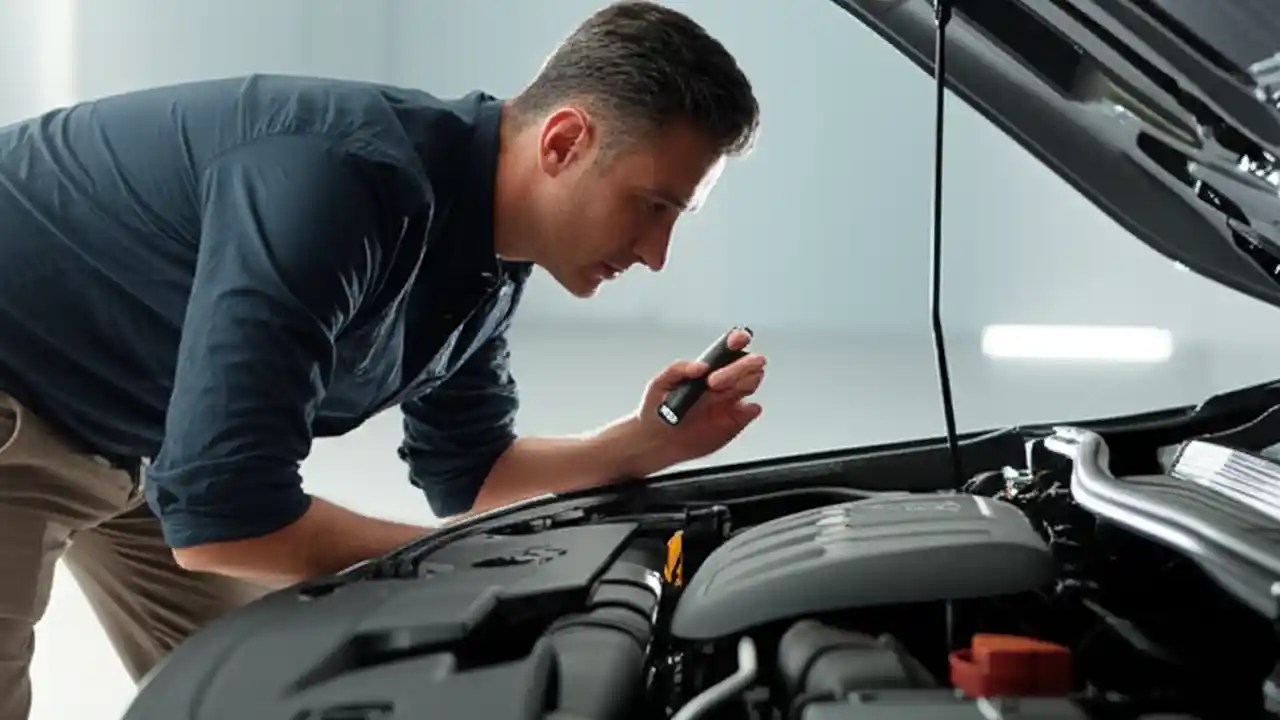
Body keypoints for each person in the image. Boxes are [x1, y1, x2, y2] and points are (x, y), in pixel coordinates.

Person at [0, 1, 763, 717]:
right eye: (653, 205)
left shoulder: (483, 249)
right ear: (563, 142)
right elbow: (229, 522)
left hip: (139, 427)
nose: (656, 254)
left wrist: (643, 444)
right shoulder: (340, 184)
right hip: (19, 390)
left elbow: (470, 473)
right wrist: (469, 567)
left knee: (255, 695)